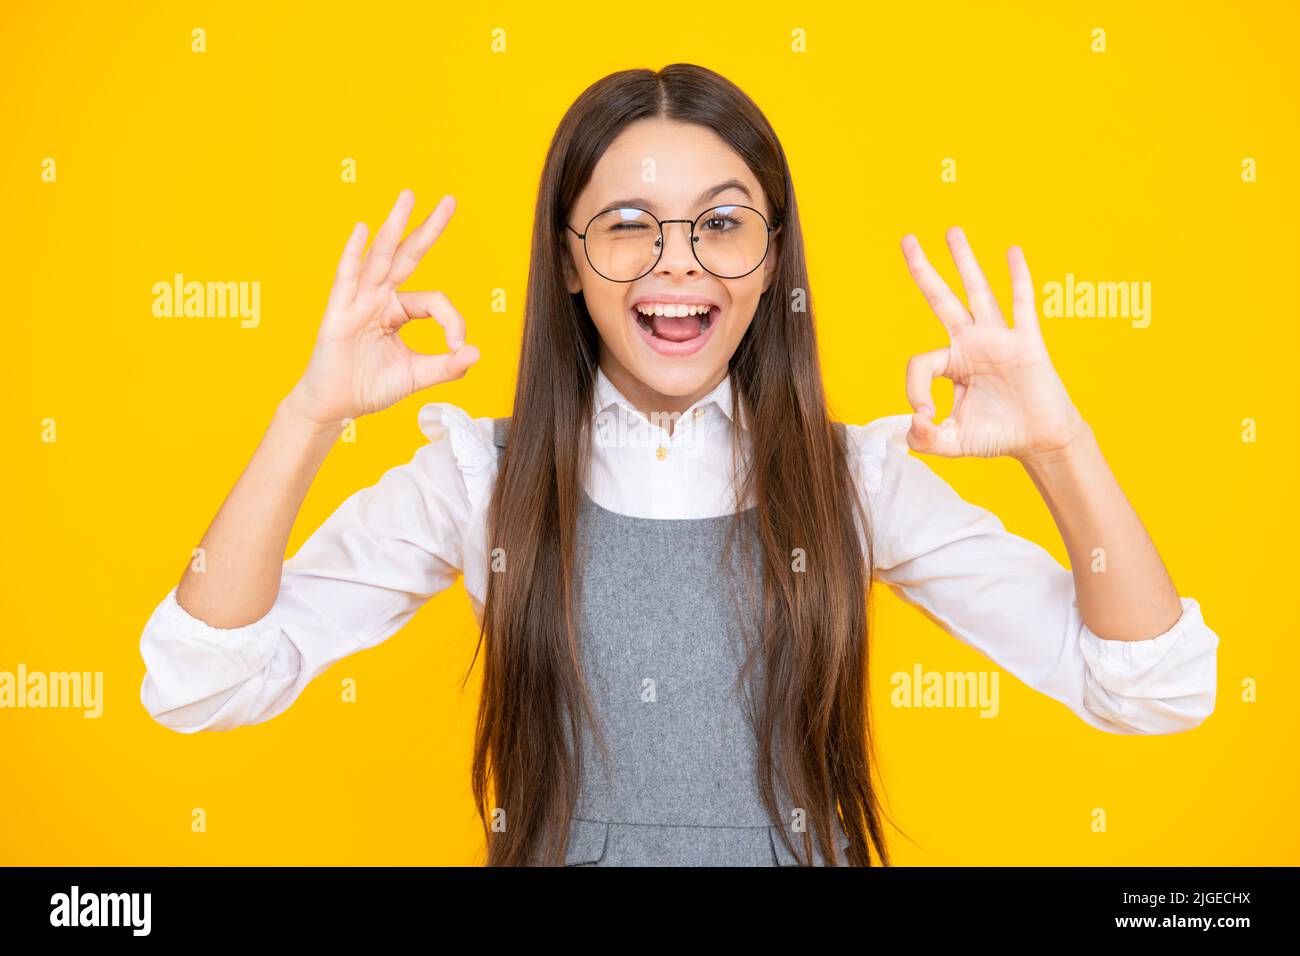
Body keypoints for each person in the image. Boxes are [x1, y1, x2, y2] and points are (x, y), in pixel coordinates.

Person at [137, 63, 1220, 867]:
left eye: (721, 224)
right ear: (566, 260)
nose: (676, 264)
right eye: (625, 226)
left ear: (770, 258)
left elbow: (1150, 685)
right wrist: (310, 411)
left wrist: (1057, 446)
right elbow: (204, 680)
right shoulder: (477, 479)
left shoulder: (857, 480)